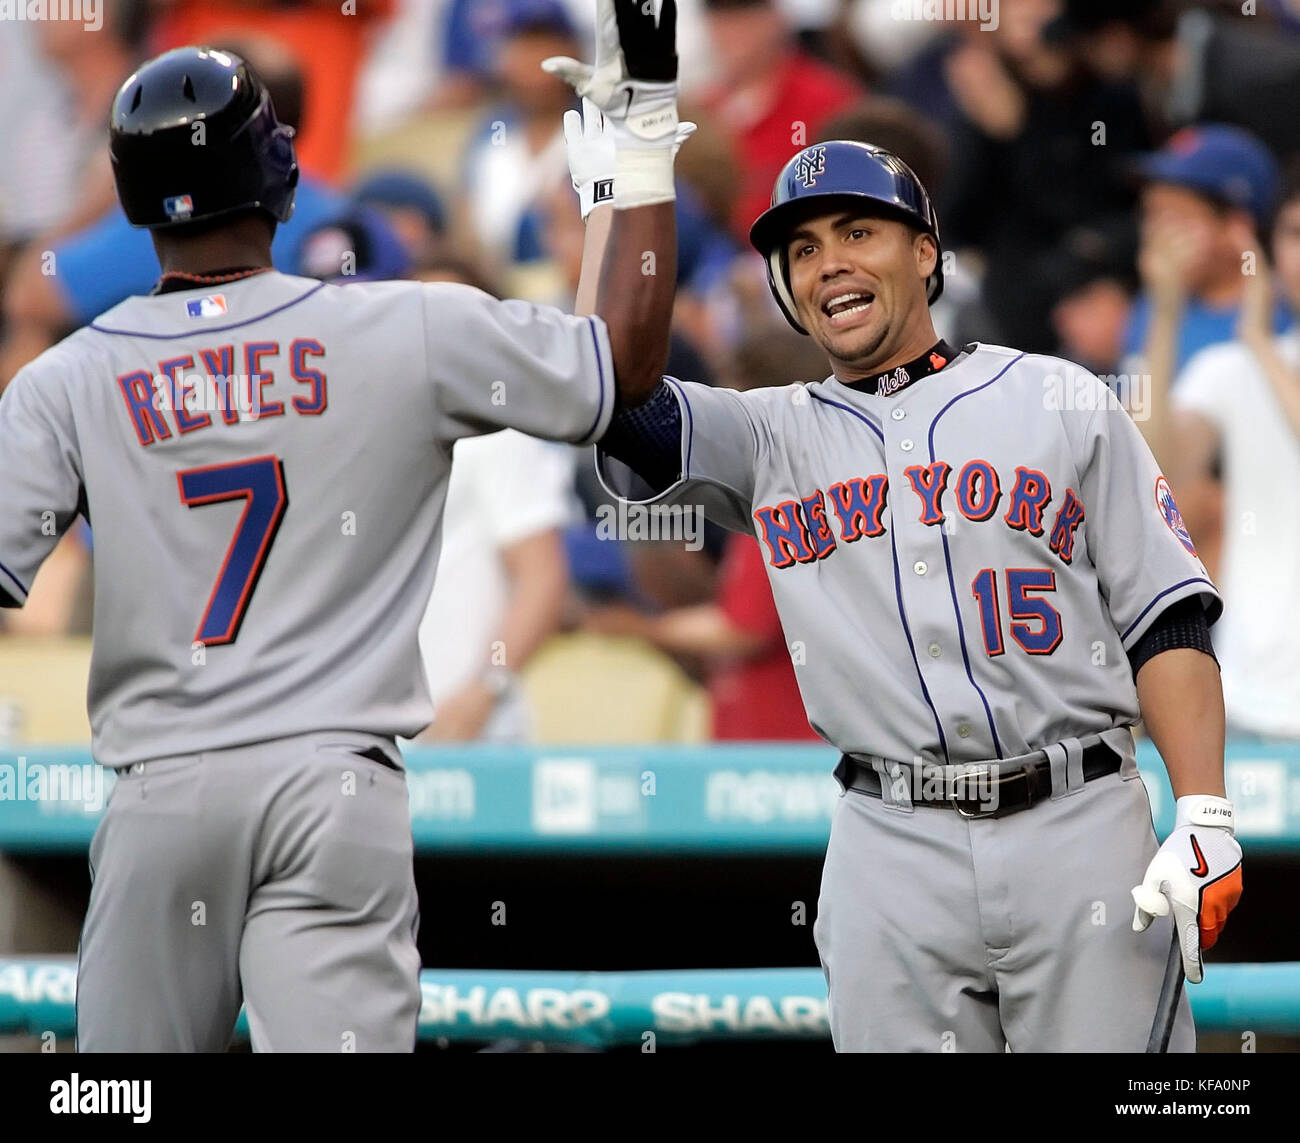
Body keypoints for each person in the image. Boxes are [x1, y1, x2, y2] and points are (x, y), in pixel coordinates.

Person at [0, 11, 686, 1050]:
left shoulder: (66, 377)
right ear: (277, 178)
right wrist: (631, 153)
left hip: (159, 788)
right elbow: (623, 368)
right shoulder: (402, 324)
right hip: (334, 785)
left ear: (135, 202)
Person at [560, 108, 1244, 1045]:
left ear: (926, 253)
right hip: (889, 837)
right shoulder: (768, 433)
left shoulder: (1058, 398)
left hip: (1078, 819)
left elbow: (1165, 619)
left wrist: (1203, 807)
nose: (829, 261)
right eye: (801, 249)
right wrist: (621, 198)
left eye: (857, 231)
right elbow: (612, 389)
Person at [1160, 168, 1300, 742]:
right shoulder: (1230, 368)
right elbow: (1161, 471)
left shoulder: (1253, 354)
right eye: (1293, 233)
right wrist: (1164, 312)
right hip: (1245, 695)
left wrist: (1261, 342)